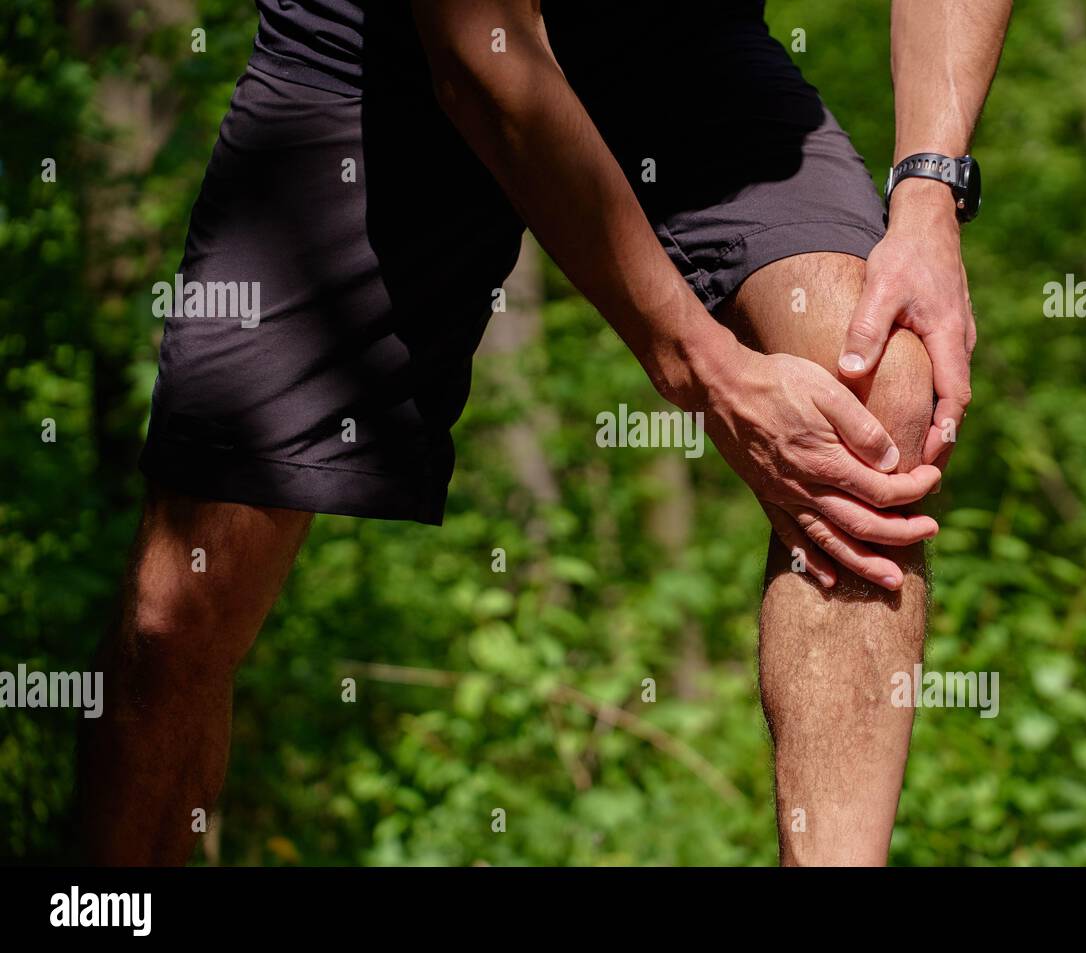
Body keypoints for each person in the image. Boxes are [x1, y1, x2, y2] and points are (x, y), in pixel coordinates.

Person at [81, 0, 1010, 866]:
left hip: (676, 30)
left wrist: (930, 193)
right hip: (388, 52)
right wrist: (706, 372)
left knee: (876, 383)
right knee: (181, 607)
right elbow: (482, 58)